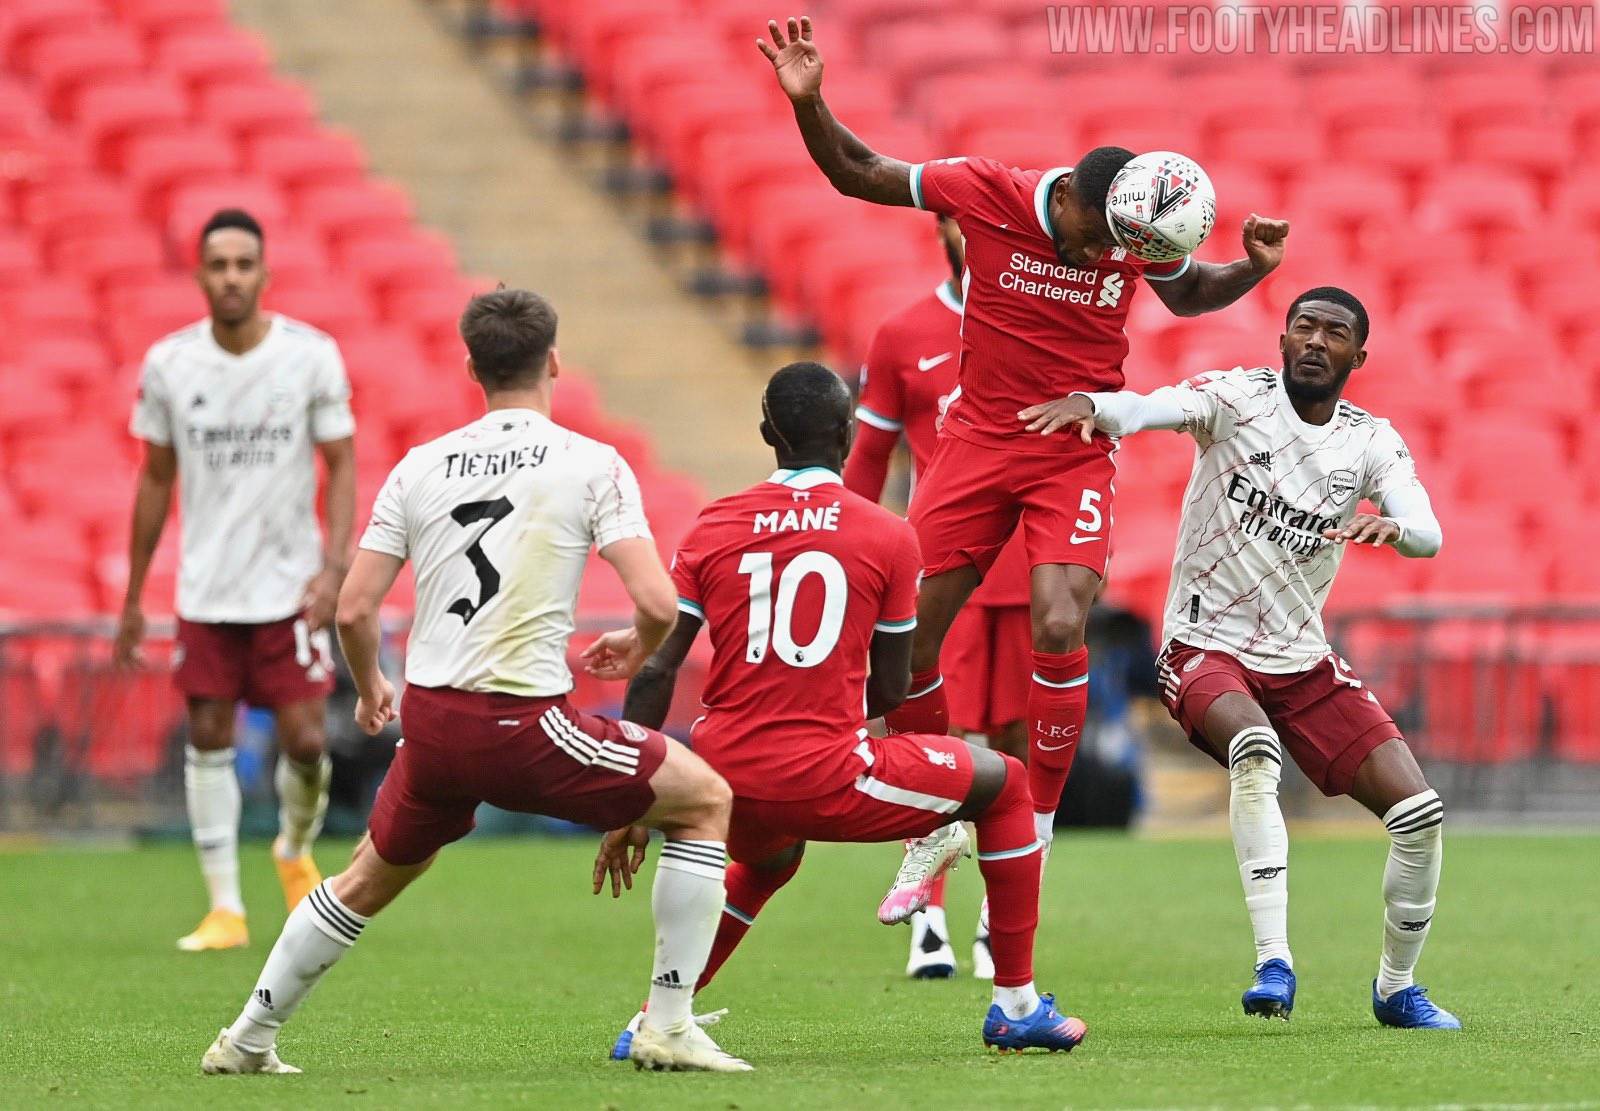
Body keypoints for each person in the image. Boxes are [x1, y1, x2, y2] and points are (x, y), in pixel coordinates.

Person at [758, 17, 1289, 864]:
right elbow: (856, 172)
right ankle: (935, 809)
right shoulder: (987, 191)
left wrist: (1251, 271)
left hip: (1073, 443)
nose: (1104, 257)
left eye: (1120, 249)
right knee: (910, 636)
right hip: (976, 440)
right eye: (1094, 238)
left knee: (1058, 620)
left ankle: (1036, 818)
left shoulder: (1130, 227)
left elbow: (1188, 295)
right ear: (1069, 196)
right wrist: (811, 101)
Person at [199, 289, 749, 1075]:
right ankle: (668, 1020)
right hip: (522, 724)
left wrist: (368, 686)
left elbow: (353, 607)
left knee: (367, 872)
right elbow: (659, 602)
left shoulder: (420, 465)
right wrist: (641, 642)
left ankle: (248, 1036)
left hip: (429, 725)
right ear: (554, 360)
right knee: (705, 799)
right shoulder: (591, 462)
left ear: (471, 367)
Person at [591, 362, 1085, 1056]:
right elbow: (892, 686)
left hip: (722, 774)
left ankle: (656, 1016)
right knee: (1005, 785)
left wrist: (633, 795)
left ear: (767, 434)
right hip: (825, 768)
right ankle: (1016, 1003)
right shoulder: (886, 533)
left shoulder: (715, 522)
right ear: (851, 435)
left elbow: (660, 666)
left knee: (771, 859)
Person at [1048, 287, 1459, 1029]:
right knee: (1256, 748)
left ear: (1357, 357)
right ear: (1282, 339)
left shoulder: (1369, 440)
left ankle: (1397, 987)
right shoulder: (1236, 399)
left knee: (1420, 813)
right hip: (1205, 643)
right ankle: (1275, 959)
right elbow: (1152, 407)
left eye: (1334, 332)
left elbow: (1428, 528)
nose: (1314, 339)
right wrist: (1102, 408)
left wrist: (1397, 529)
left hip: (1300, 656)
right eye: (1303, 325)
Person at [117, 208, 356, 951]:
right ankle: (225, 906)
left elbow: (342, 462)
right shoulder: (170, 365)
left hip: (287, 584)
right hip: (208, 587)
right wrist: (133, 595)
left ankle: (291, 847)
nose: (230, 278)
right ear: (199, 275)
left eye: (243, 265)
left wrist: (335, 565)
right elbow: (155, 479)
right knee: (209, 731)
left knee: (308, 738)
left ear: (264, 273)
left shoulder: (310, 356)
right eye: (217, 265)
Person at [843, 214, 1030, 980]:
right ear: (943, 233)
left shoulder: (1037, 325)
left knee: (1016, 747)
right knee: (932, 743)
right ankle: (930, 918)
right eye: (958, 222)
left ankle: (998, 917)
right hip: (937, 566)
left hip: (1021, 565)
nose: (972, 234)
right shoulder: (902, 333)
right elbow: (867, 459)